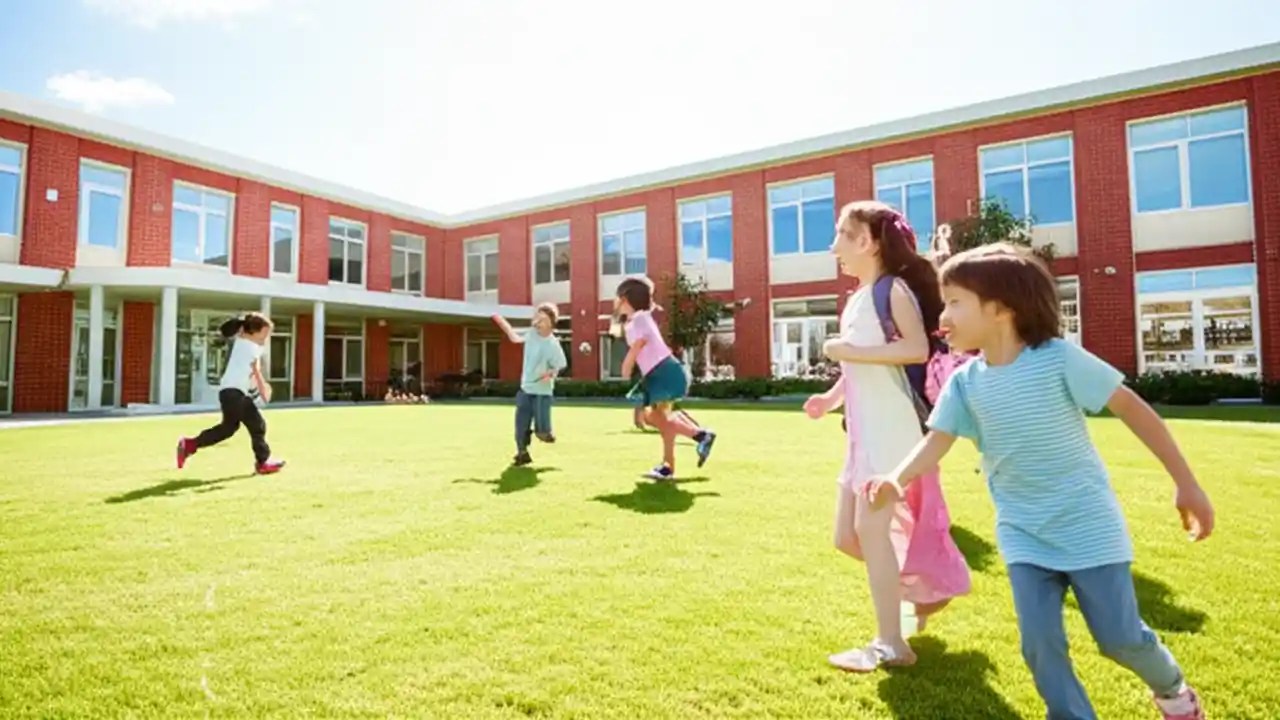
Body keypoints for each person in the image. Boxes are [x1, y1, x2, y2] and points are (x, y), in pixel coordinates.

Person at [864, 243, 1213, 720]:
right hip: (1024, 533)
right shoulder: (965, 383)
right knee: (1040, 646)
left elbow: (1132, 408)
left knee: (1120, 638)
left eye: (955, 302)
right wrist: (894, 479)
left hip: (1088, 527)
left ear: (1002, 308)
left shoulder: (1057, 360)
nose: (943, 315)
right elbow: (936, 441)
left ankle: (1173, 689)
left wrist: (1186, 483)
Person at [805, 201, 970, 672]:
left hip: (892, 431)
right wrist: (830, 397)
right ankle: (926, 587)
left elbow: (915, 349)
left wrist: (847, 350)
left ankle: (891, 642)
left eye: (842, 234)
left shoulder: (892, 289)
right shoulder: (858, 298)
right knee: (846, 537)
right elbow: (864, 365)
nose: (834, 245)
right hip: (863, 434)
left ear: (868, 241)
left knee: (870, 532)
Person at [615, 278, 715, 480]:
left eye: (616, 298)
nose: (614, 303)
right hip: (659, 373)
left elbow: (640, 343)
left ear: (624, 299)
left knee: (653, 418)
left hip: (664, 372)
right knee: (664, 420)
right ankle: (668, 467)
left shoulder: (640, 319)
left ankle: (701, 435)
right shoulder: (635, 321)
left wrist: (626, 366)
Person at [176, 312, 285, 475]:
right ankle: (263, 462)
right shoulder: (252, 348)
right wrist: (263, 390)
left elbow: (248, 373)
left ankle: (190, 445)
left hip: (229, 392)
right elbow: (256, 372)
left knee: (228, 428)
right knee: (257, 424)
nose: (266, 338)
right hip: (235, 394)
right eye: (264, 334)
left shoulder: (241, 342)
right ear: (252, 332)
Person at [493, 303, 567, 467]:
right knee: (520, 425)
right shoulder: (532, 334)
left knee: (542, 433)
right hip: (526, 388)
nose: (538, 321)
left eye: (543, 318)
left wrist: (550, 374)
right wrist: (502, 323)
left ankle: (545, 433)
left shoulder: (553, 344)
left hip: (542, 392)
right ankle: (522, 453)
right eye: (537, 317)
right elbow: (514, 337)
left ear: (551, 322)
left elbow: (560, 365)